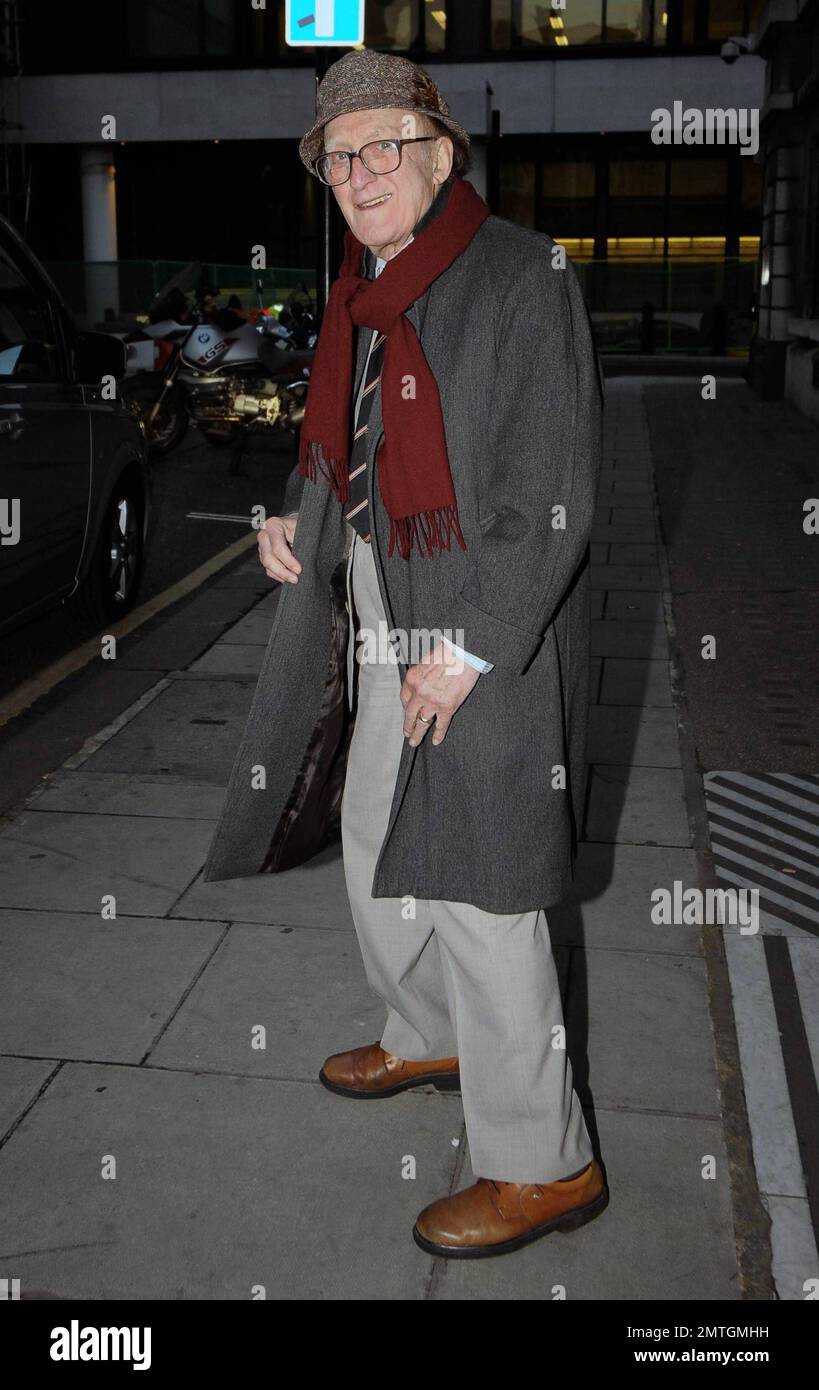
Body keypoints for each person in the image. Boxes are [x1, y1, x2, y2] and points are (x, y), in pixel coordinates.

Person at [202, 49, 607, 1259]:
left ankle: (545, 1162)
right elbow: (343, 439)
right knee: (376, 828)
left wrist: (475, 647)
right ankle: (427, 1029)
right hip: (383, 603)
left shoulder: (519, 275)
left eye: (385, 145)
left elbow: (556, 491)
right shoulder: (363, 285)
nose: (362, 170)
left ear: (437, 156)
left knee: (489, 888)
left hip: (484, 620)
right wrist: (292, 515)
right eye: (340, 156)